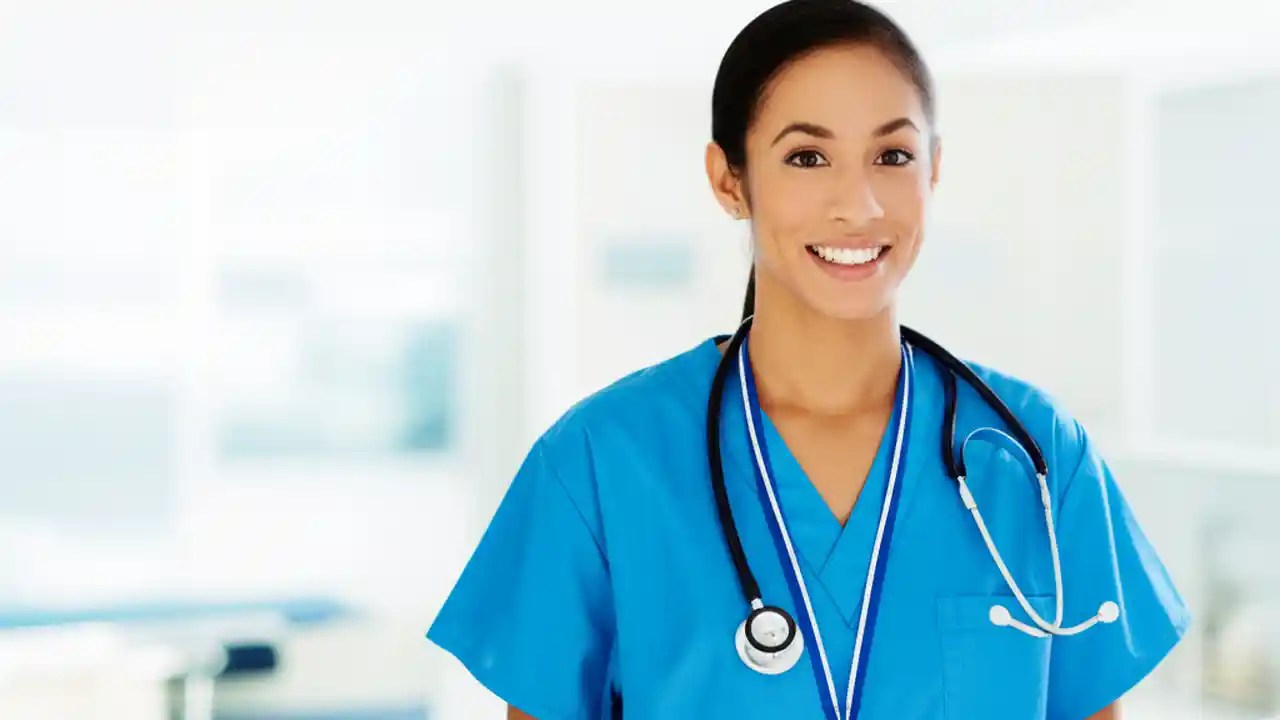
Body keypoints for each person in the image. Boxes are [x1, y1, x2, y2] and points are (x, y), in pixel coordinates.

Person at [426, 1, 1190, 718]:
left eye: (892, 154)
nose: (857, 204)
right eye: (806, 157)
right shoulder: (600, 463)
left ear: (934, 169)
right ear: (730, 180)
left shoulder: (1035, 456)